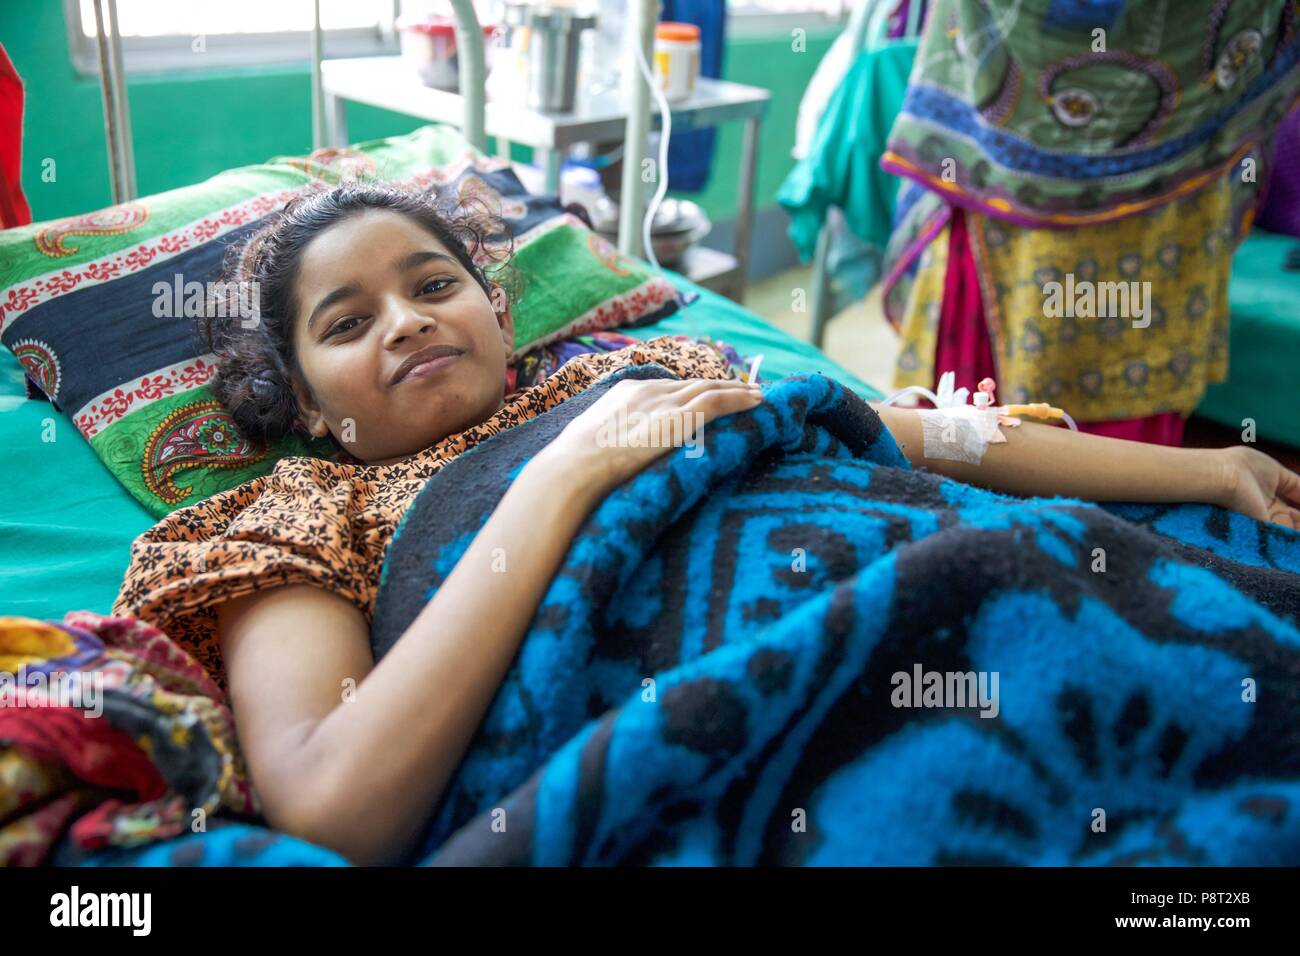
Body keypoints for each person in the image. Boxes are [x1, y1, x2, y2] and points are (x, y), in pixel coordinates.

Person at [114, 183, 1300, 864]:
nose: (407, 321)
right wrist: (562, 478)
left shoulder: (643, 370)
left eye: (433, 285)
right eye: (346, 321)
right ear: (304, 403)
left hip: (968, 559)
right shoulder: (293, 514)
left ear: (496, 312)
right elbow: (333, 801)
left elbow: (918, 436)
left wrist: (1206, 472)